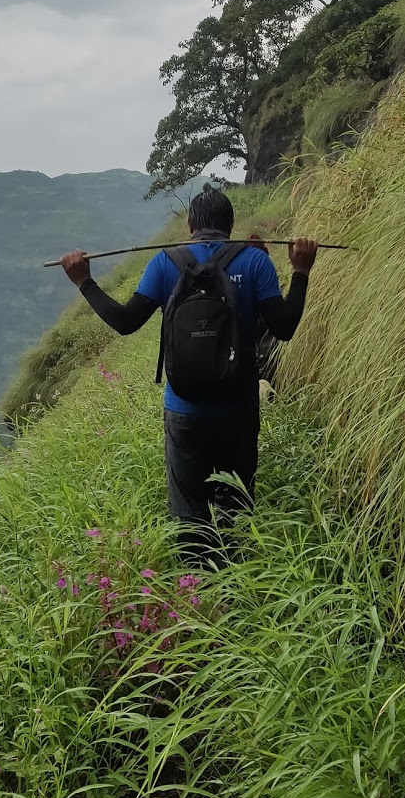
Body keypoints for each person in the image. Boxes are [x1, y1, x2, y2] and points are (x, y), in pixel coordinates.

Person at [59, 187, 317, 546]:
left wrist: (83, 281)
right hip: (239, 408)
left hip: (184, 410)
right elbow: (284, 327)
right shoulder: (254, 261)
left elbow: (126, 321)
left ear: (190, 224)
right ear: (231, 225)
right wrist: (301, 271)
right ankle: (236, 585)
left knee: (188, 513)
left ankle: (196, 588)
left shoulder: (165, 263)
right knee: (236, 506)